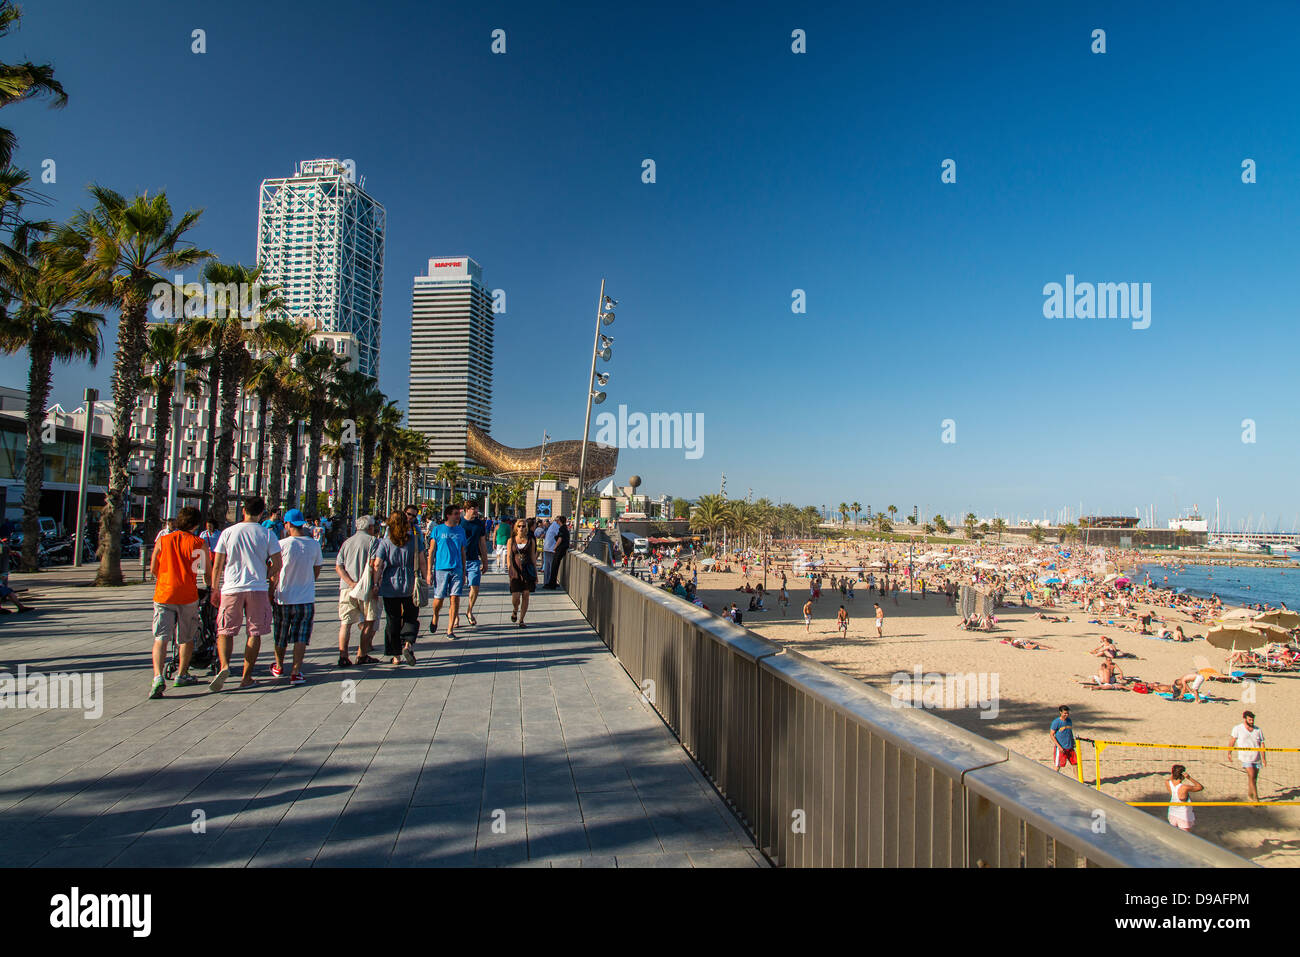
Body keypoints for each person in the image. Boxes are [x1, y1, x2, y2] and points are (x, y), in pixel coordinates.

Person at [212, 496, 283, 691]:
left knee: (225, 631)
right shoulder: (267, 534)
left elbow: (218, 563)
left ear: (243, 510)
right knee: (254, 632)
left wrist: (214, 588)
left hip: (231, 588)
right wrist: (267, 576)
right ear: (262, 514)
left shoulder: (228, 532)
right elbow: (278, 563)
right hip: (257, 587)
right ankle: (246, 676)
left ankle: (225, 666)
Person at [148, 506, 210, 698]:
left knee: (161, 638)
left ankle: (158, 676)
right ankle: (182, 674)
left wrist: (165, 578)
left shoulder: (163, 540)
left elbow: (153, 568)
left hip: (164, 594)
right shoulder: (198, 543)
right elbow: (204, 570)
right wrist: (208, 587)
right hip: (187, 595)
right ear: (195, 524)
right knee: (186, 637)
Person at [270, 509, 322, 686]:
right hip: (306, 598)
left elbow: (274, 571)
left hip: (283, 597)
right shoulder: (314, 545)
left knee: (281, 635)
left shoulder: (282, 544)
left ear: (288, 524)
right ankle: (296, 671)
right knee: (301, 637)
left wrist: (271, 589)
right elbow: (317, 570)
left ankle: (278, 666)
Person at [373, 509, 424, 665]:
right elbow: (422, 561)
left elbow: (378, 564)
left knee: (393, 620)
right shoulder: (415, 540)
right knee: (411, 616)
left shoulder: (386, 542)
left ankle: (395, 655)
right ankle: (408, 644)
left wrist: (375, 583)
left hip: (390, 585)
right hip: (410, 583)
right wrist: (427, 577)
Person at [335, 515, 380, 667]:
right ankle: (362, 654)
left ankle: (343, 655)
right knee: (369, 621)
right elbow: (375, 565)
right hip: (366, 588)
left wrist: (350, 582)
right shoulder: (373, 541)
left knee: (345, 623)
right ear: (370, 528)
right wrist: (375, 584)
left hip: (347, 588)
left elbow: (338, 566)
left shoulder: (347, 543)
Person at [427, 503, 467, 640]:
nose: (458, 516)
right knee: (439, 599)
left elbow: (463, 552)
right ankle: (435, 616)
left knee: (455, 598)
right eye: (455, 513)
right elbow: (431, 551)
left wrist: (464, 571)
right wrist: (428, 572)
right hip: (441, 569)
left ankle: (450, 629)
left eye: (458, 514)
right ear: (448, 515)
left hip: (457, 569)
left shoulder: (461, 531)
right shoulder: (438, 530)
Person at [460, 502, 489, 623]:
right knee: (456, 590)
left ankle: (469, 611)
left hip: (473, 560)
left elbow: (482, 543)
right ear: (466, 510)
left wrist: (485, 561)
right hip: (458, 560)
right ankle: (454, 616)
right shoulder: (459, 523)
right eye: (473, 509)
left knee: (475, 587)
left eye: (477, 508)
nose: (476, 511)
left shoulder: (479, 524)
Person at [1228, 711, 1266, 802]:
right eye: (1250, 720)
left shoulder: (1258, 730)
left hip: (1256, 758)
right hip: (1245, 757)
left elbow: (1262, 744)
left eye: (1253, 720)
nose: (1252, 722)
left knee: (1253, 778)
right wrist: (1229, 752)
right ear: (1245, 719)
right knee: (1252, 775)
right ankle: (1256, 798)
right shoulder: (1238, 728)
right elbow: (1232, 741)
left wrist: (1264, 758)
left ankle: (1250, 794)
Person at [507, 517, 537, 626]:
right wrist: (510, 568)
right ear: (516, 528)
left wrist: (536, 573)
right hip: (515, 570)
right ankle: (515, 609)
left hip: (528, 570)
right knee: (515, 597)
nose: (521, 528)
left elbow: (533, 557)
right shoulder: (511, 540)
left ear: (526, 528)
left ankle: (521, 619)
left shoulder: (531, 540)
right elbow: (509, 556)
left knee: (526, 594)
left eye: (523, 526)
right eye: (519, 526)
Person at [1166, 764, 1202, 831]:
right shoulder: (1184, 787)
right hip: (1183, 815)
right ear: (1183, 775)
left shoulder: (1167, 783)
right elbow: (1200, 787)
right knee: (1184, 837)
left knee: (1173, 834)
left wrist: (1174, 773)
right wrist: (1189, 778)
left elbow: (1170, 779)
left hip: (1172, 813)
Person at [545, 515, 570, 590]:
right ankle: (552, 582)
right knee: (554, 566)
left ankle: (552, 584)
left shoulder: (562, 528)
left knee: (554, 566)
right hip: (562, 549)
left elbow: (560, 538)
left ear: (560, 521)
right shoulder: (564, 528)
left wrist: (555, 547)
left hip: (560, 549)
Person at [1050, 705, 1076, 773]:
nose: (1066, 715)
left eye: (1067, 713)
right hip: (1061, 748)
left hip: (1070, 747)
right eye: (1065, 713)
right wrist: (1059, 747)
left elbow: (1070, 732)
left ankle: (1078, 781)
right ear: (1060, 712)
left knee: (1075, 764)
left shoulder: (1069, 721)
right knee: (1058, 766)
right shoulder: (1056, 722)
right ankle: (1053, 780)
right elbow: (1052, 735)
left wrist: (1073, 742)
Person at [542, 515, 561, 588]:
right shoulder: (556, 526)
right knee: (551, 566)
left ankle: (546, 582)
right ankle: (549, 582)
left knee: (547, 566)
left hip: (547, 548)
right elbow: (559, 536)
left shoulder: (552, 526)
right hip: (551, 549)